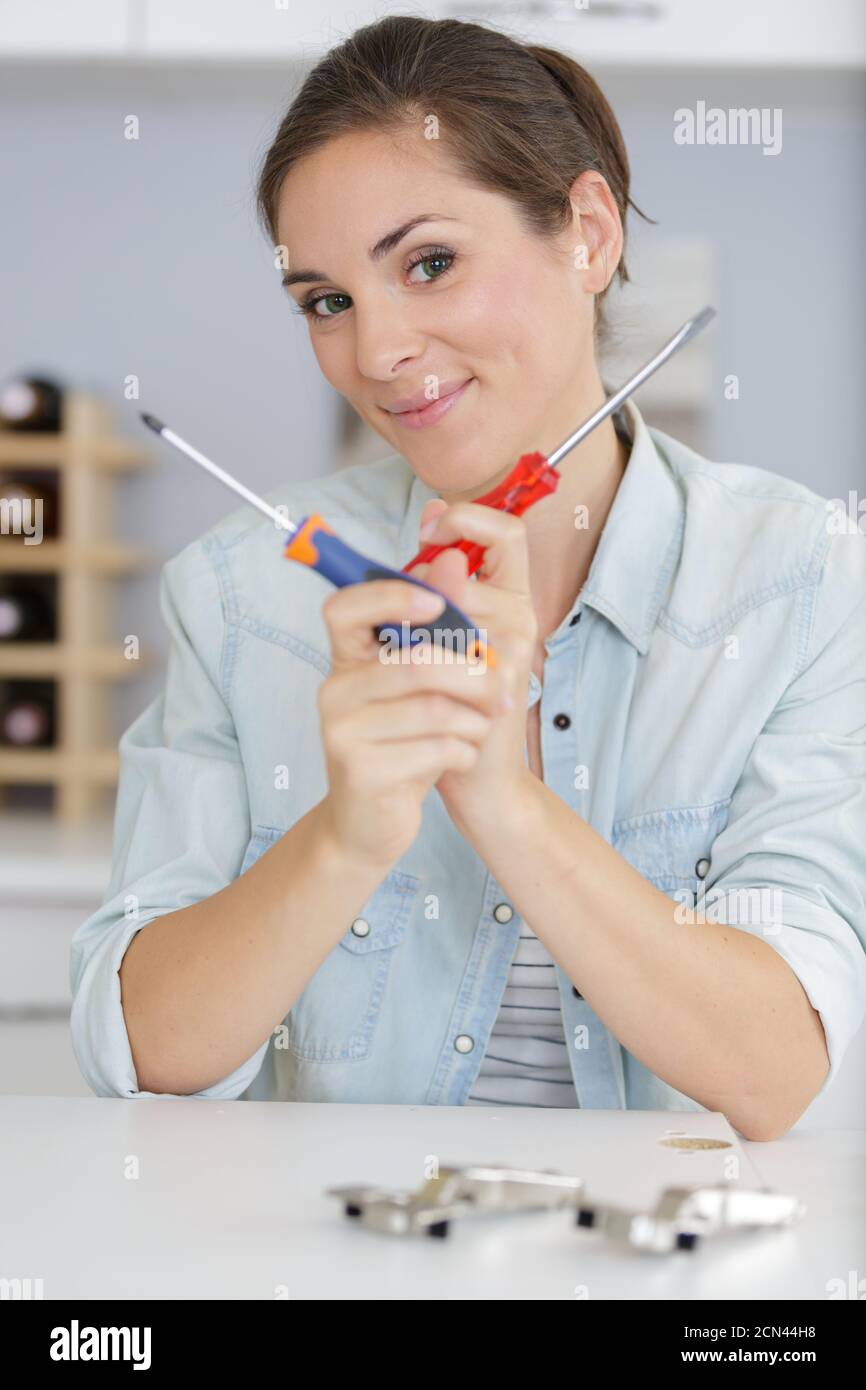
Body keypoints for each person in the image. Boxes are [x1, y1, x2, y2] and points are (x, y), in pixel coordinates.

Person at [70, 15, 866, 1139]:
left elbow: (779, 1066)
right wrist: (348, 831)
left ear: (586, 234)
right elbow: (144, 1051)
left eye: (428, 263)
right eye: (325, 301)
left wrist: (502, 799)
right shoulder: (246, 590)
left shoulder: (797, 578)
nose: (376, 350)